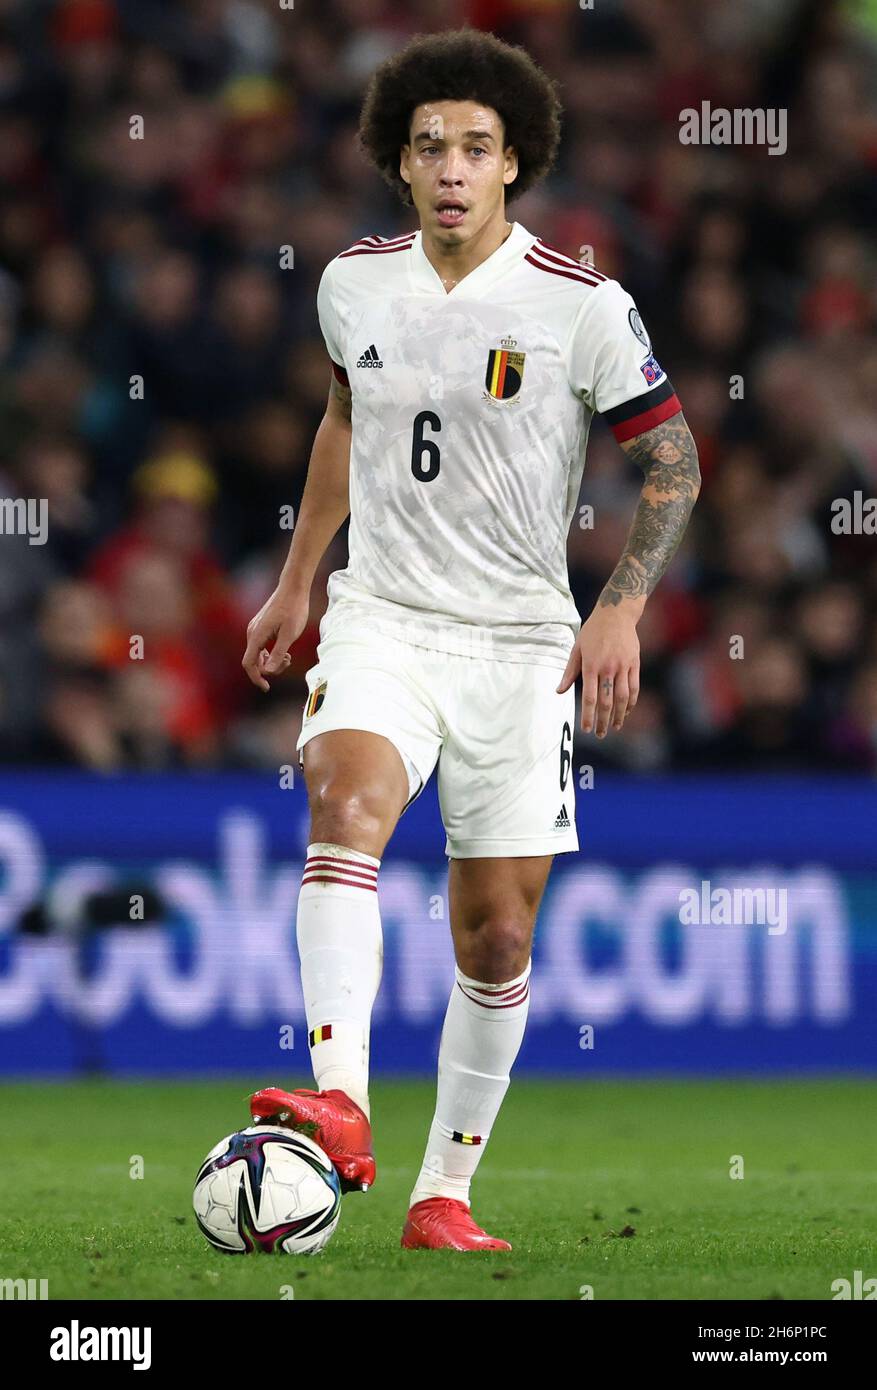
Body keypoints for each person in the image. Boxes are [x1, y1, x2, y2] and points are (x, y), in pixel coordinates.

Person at [241, 29, 700, 1251]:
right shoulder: (354, 283)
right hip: (383, 617)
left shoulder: (580, 304)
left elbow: (672, 460)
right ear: (400, 164)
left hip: (518, 645)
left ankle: (440, 1193)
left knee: (496, 934)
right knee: (341, 807)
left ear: (514, 166)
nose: (451, 167)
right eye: (429, 146)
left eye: (476, 149)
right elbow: (345, 417)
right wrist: (299, 580)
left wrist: (620, 605)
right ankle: (340, 1106)